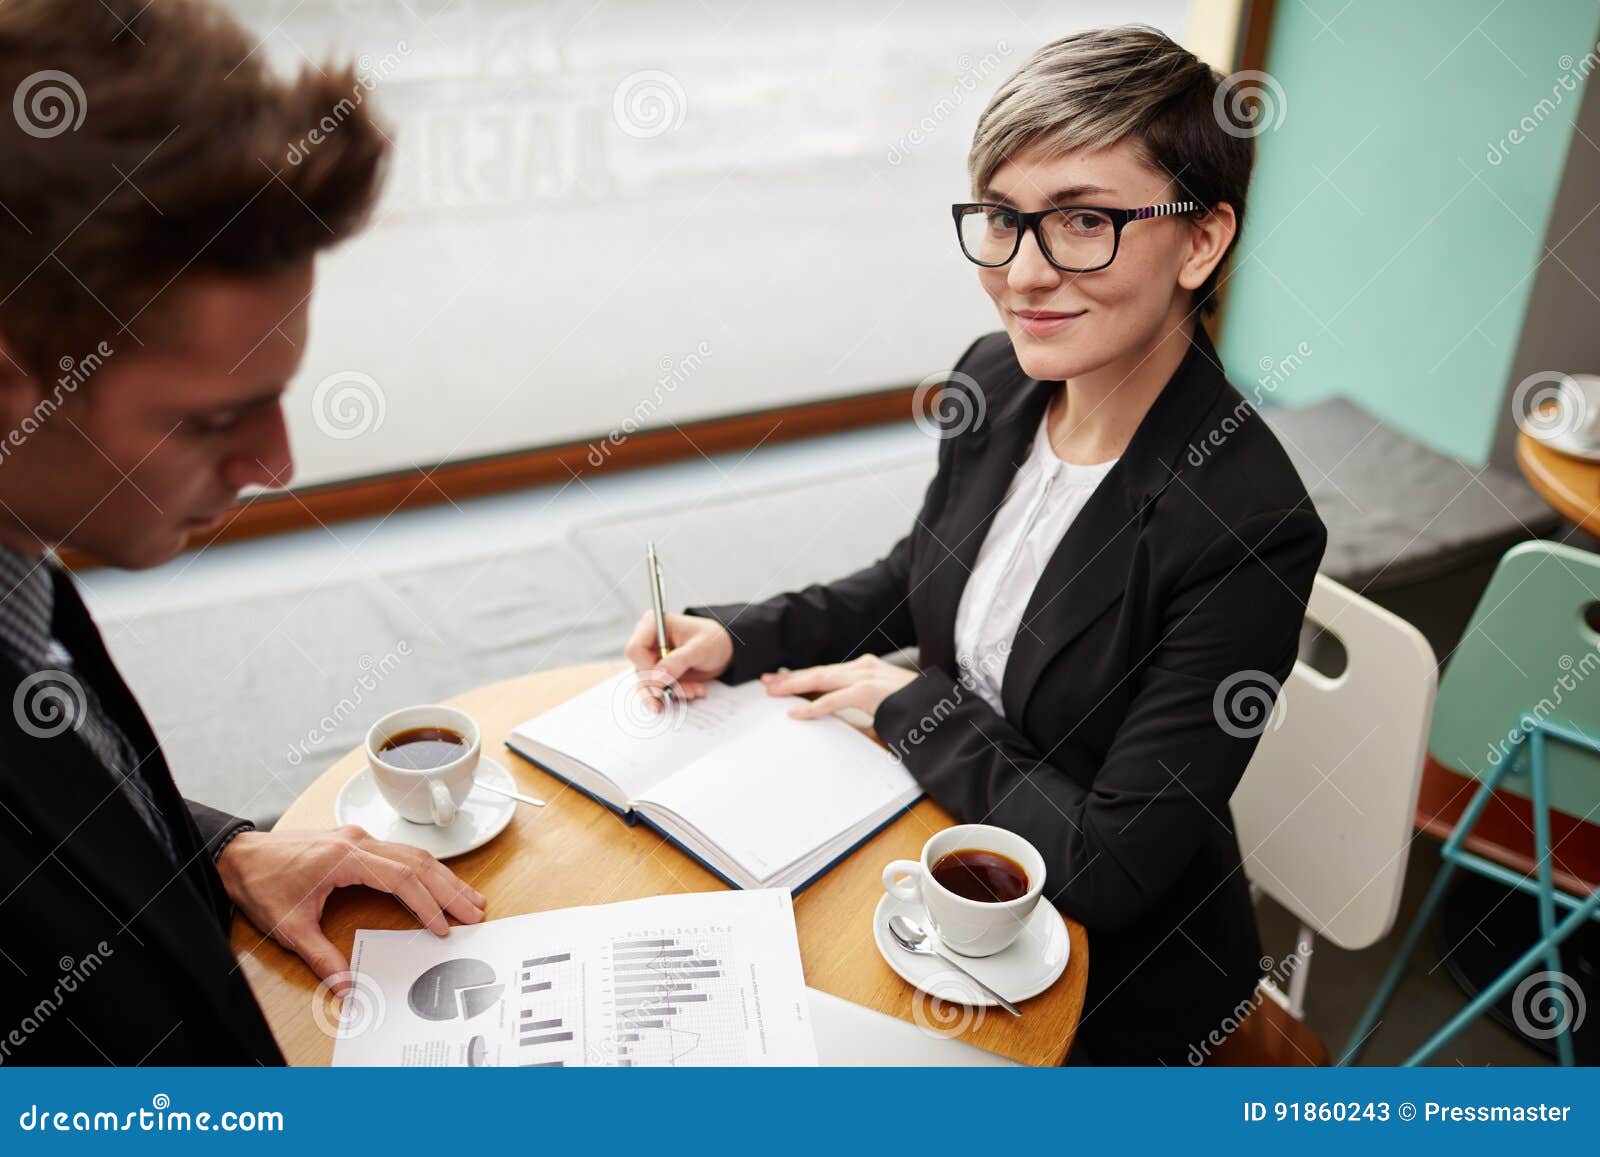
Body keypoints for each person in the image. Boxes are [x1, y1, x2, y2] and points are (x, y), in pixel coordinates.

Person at [625, 26, 1327, 1065]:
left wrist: (910, 706)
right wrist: (739, 633)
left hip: (1110, 981)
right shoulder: (997, 380)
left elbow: (1110, 861)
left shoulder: (1246, 523)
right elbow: (922, 578)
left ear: (1200, 242)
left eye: (1084, 220)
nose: (1023, 275)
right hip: (940, 870)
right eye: (1003, 220)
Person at [0, 0, 484, 1064]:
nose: (275, 466)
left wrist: (209, 852)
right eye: (212, 418)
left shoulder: (22, 554)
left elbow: (59, 810)